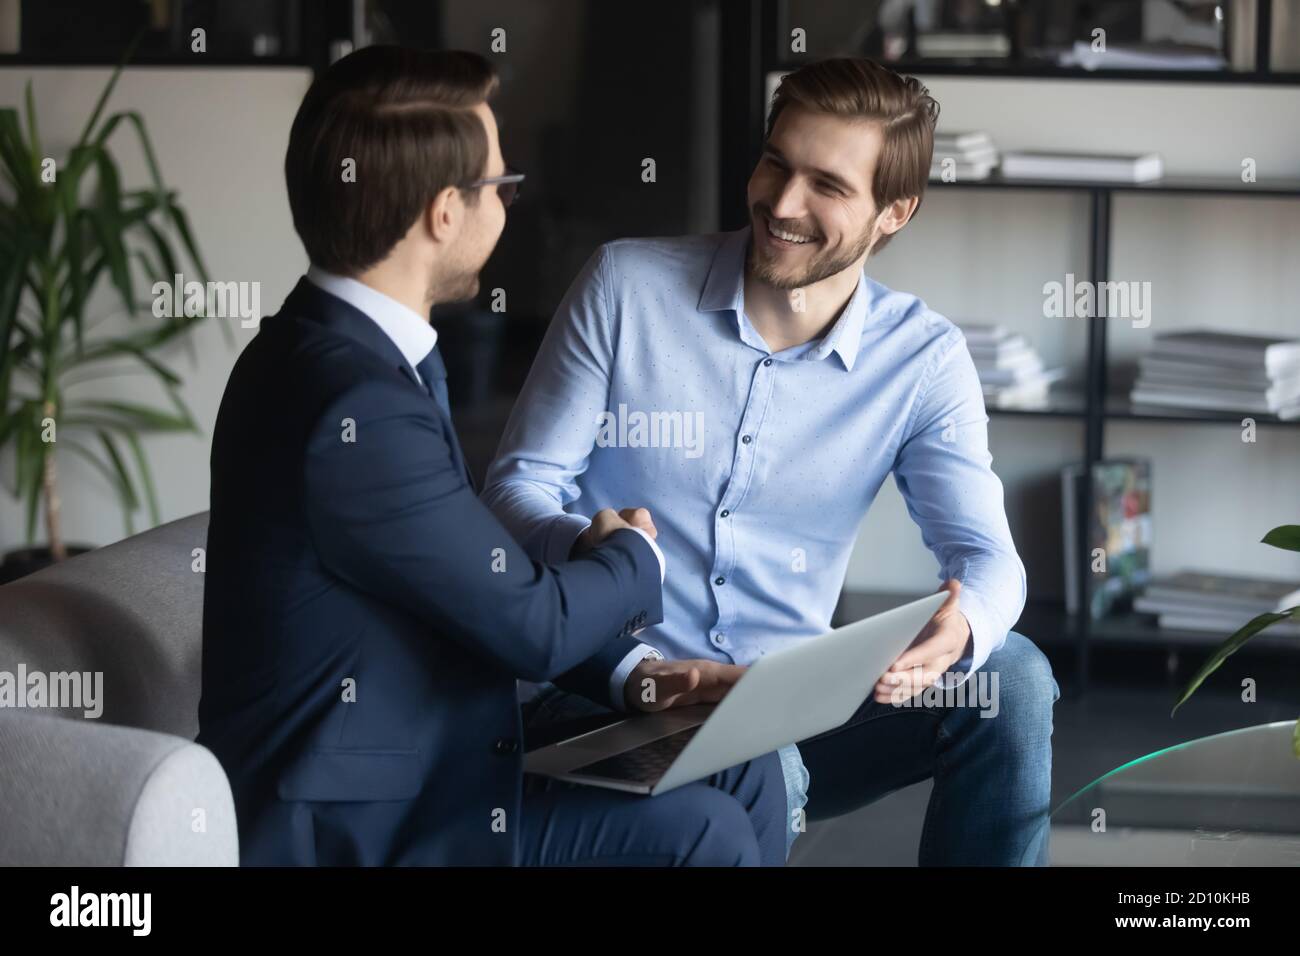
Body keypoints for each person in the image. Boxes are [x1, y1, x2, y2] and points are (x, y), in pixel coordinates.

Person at [197, 45, 786, 867]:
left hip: (424, 763)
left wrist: (636, 676)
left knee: (742, 759)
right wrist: (633, 556)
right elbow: (531, 628)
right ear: (446, 211)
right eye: (501, 186)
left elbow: (473, 585)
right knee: (702, 832)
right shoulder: (354, 402)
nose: (509, 205)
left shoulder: (336, 354)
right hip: (360, 825)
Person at [484, 57, 1060, 866]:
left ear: (894, 212)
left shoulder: (923, 359)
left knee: (1014, 679)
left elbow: (988, 557)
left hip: (792, 704)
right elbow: (516, 488)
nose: (783, 205)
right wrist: (584, 543)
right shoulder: (626, 286)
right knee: (767, 767)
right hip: (613, 691)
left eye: (827, 186)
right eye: (776, 165)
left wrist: (961, 627)